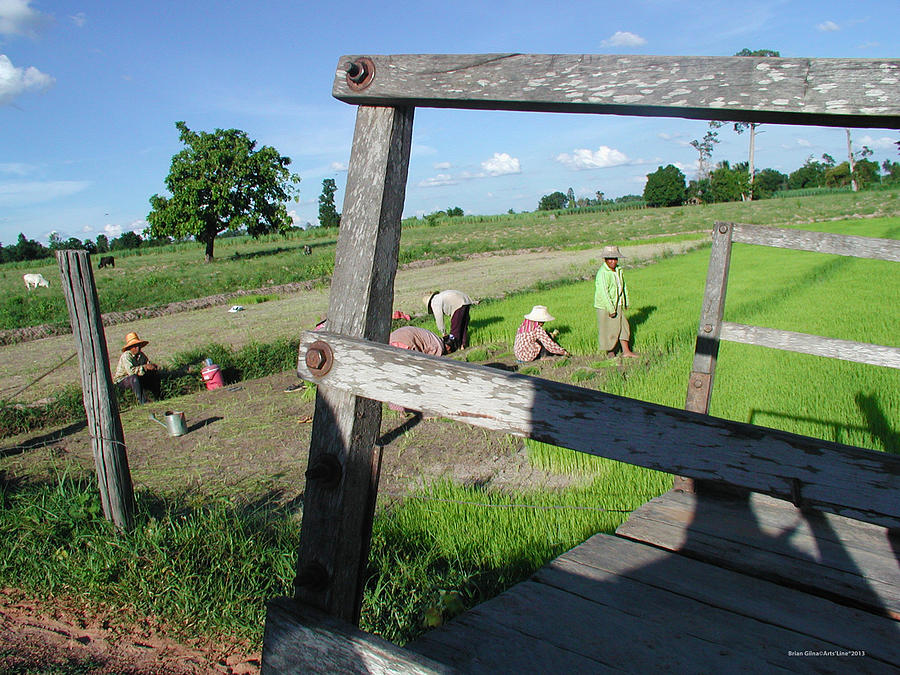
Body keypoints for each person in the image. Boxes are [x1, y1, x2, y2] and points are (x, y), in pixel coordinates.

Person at [595, 245, 638, 358]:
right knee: (609, 329)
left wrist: (626, 301)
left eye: (615, 258)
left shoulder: (619, 270)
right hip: (605, 306)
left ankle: (626, 351)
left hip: (617, 303)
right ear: (605, 259)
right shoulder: (602, 273)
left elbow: (623, 287)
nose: (613, 261)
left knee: (624, 326)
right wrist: (610, 309)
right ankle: (610, 353)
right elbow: (604, 292)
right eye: (610, 259)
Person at [113, 332, 161, 404]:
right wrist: (145, 367)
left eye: (138, 345)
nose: (137, 348)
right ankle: (142, 402)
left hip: (136, 377)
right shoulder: (126, 356)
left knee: (153, 375)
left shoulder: (141, 355)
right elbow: (131, 372)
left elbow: (147, 363)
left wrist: (153, 367)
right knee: (134, 378)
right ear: (130, 348)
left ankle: (157, 397)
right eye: (135, 346)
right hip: (123, 380)